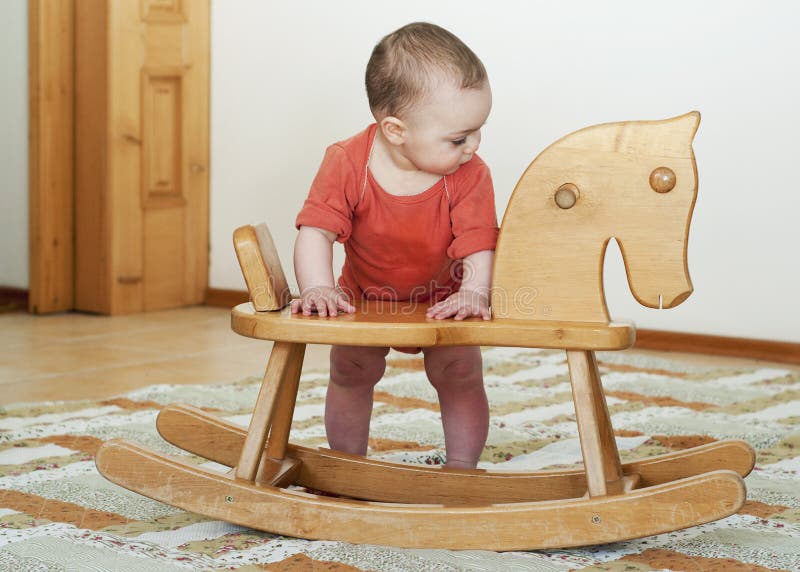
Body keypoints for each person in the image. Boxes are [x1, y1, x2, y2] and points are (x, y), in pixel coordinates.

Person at [292, 22, 498, 469]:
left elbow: (478, 243)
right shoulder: (347, 162)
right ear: (396, 130)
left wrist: (473, 292)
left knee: (460, 372)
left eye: (479, 130)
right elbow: (316, 231)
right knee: (350, 371)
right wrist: (317, 288)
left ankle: (462, 470)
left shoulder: (470, 173)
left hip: (444, 299)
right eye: (459, 137)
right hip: (364, 298)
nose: (474, 146)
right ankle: (349, 467)